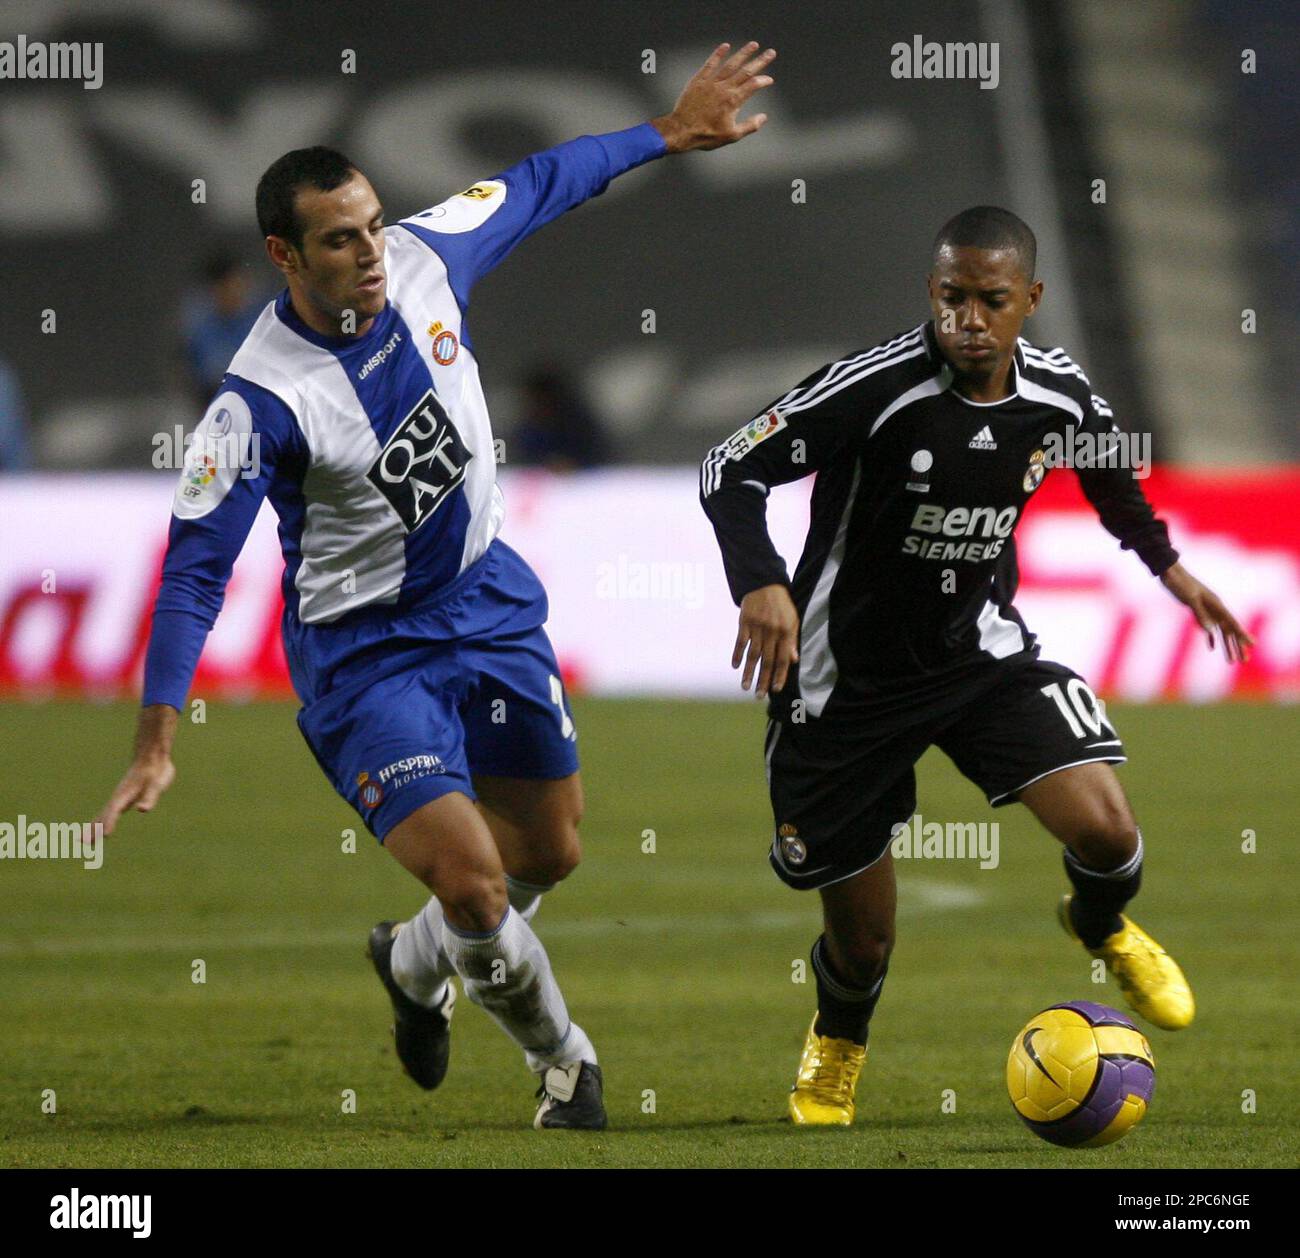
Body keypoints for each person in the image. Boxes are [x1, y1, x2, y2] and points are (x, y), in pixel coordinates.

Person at [98, 41, 777, 1131]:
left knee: (549, 850)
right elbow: (193, 572)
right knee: (474, 881)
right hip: (367, 657)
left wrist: (667, 131)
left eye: (372, 224)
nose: (370, 251)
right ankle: (565, 1066)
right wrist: (155, 738)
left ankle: (413, 963)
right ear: (283, 255)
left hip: (487, 602)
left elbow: (542, 181)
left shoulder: (422, 256)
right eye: (339, 239)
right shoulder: (257, 404)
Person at [699, 206, 1254, 1126]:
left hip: (978, 656)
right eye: (952, 297)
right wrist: (760, 582)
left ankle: (1100, 923)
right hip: (845, 684)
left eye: (991, 300)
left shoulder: (1058, 393)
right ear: (932, 291)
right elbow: (730, 467)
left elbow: (1108, 473)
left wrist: (1172, 570)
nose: (969, 319)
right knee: (865, 942)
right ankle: (838, 1045)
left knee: (1109, 833)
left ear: (1029, 299)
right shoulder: (874, 388)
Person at [180, 252, 265, 410]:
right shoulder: (199, 326)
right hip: (212, 402)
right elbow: (193, 373)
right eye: (229, 286)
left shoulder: (262, 318)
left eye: (240, 284)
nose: (237, 292)